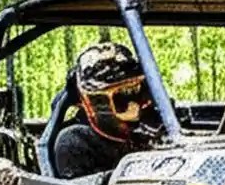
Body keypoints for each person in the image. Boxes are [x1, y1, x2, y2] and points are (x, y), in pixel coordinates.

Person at [53, 42, 161, 177]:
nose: (135, 105)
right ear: (94, 101)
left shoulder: (154, 125)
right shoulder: (75, 141)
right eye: (123, 95)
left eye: (137, 90)